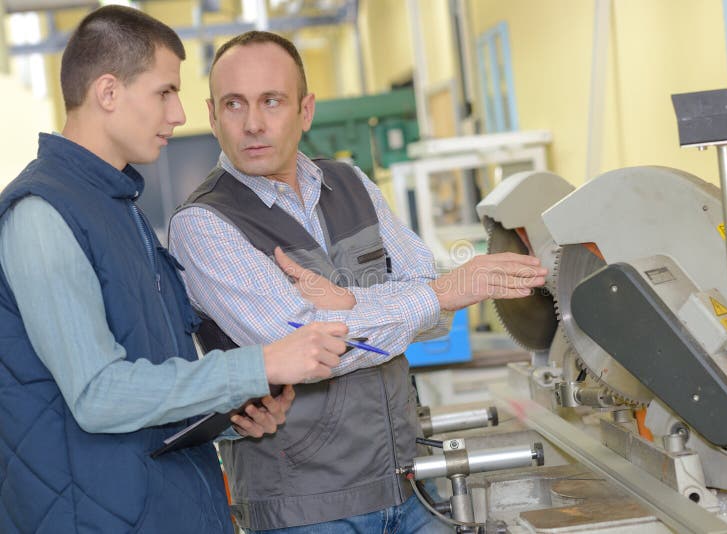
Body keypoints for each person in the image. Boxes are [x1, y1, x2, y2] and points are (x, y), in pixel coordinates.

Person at [168, 31, 548, 533]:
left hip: (409, 482)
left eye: (272, 101)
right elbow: (303, 349)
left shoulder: (350, 184)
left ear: (305, 111)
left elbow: (435, 322)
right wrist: (428, 297)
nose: (253, 123)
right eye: (234, 105)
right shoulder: (203, 224)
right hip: (305, 507)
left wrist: (348, 303)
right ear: (213, 116)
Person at [0, 8, 349, 534]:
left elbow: (151, 374)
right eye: (165, 92)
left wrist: (232, 414)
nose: (180, 114)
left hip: (166, 505)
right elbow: (98, 395)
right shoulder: (42, 214)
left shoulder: (118, 208)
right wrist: (259, 365)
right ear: (109, 92)